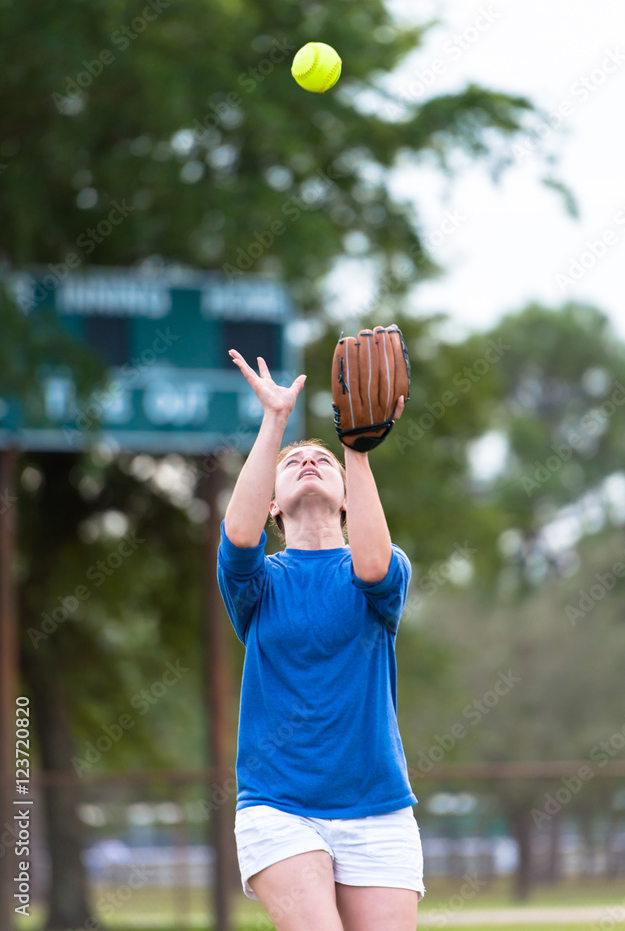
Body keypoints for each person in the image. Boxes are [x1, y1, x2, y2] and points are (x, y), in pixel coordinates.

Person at [217, 348, 424, 931]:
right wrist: (275, 422)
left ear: (349, 496)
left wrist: (355, 449)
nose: (310, 461)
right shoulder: (257, 584)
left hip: (378, 808)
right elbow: (236, 537)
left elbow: (375, 563)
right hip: (277, 807)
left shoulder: (379, 572)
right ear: (273, 504)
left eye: (322, 460)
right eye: (295, 463)